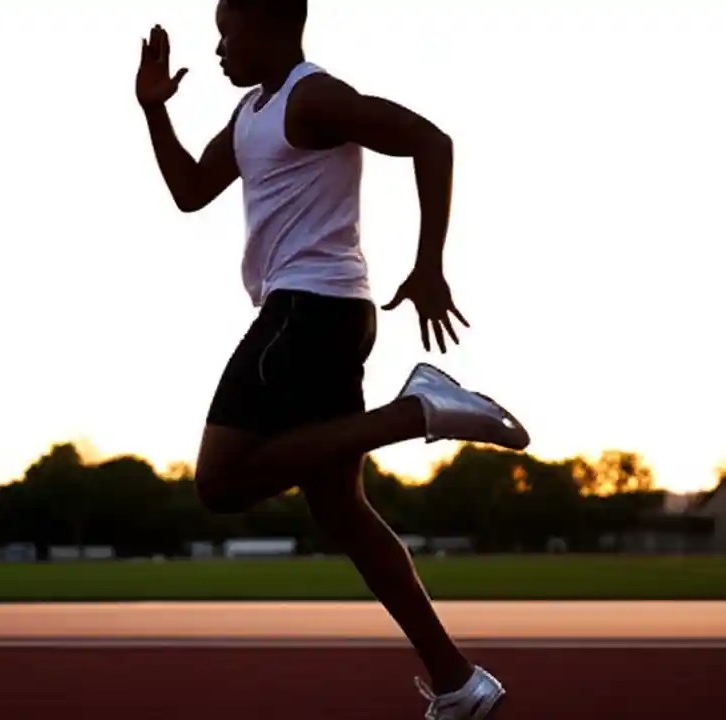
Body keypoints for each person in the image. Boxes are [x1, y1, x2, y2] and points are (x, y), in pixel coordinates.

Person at [135, 2, 529, 719]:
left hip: (304, 315)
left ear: (269, 28)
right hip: (325, 317)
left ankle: (415, 413)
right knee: (344, 513)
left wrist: (431, 264)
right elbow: (192, 191)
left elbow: (428, 141)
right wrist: (154, 111)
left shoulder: (312, 97)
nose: (218, 49)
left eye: (228, 33)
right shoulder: (254, 113)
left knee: (221, 484)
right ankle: (458, 683)